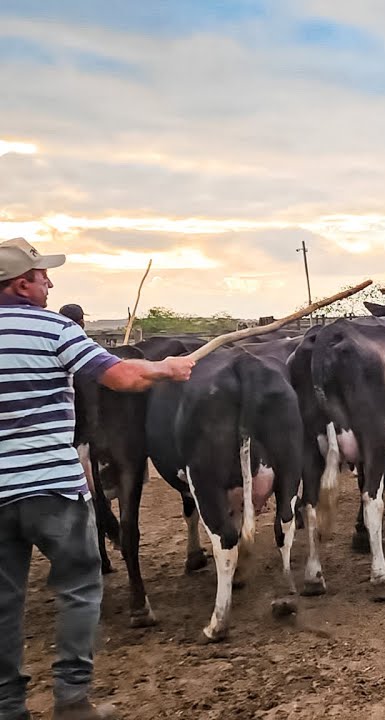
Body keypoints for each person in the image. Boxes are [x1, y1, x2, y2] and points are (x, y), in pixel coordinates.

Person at [0, 237, 196, 720]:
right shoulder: (53, 328)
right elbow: (123, 377)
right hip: (52, 489)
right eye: (43, 276)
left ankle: (8, 707)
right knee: (78, 590)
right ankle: (71, 700)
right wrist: (168, 368)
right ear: (21, 284)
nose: (50, 284)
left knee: (4, 602)